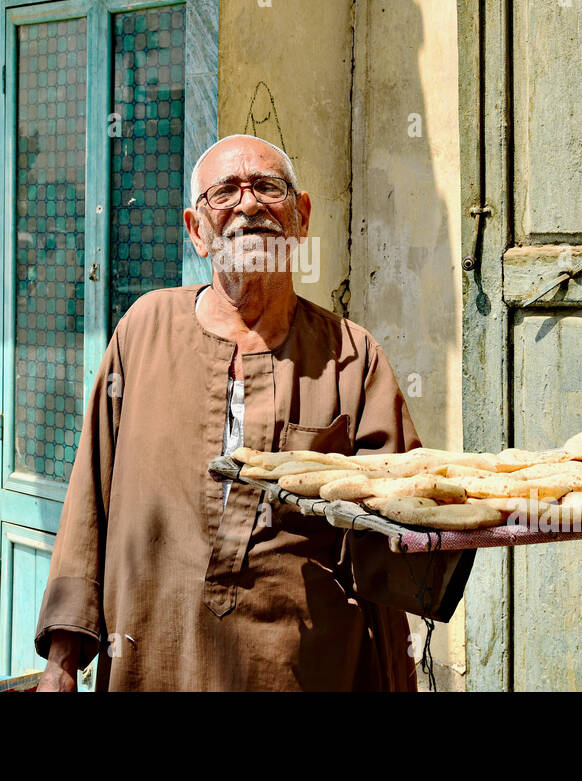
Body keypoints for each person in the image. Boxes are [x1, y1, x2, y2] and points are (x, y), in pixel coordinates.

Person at [34, 134, 474, 691]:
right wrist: (62, 662)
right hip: (154, 662)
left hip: (302, 669)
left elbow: (397, 518)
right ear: (197, 230)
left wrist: (487, 511)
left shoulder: (352, 356)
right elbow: (88, 500)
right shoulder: (142, 331)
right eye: (225, 193)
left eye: (268, 187)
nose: (248, 205)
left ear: (300, 216)